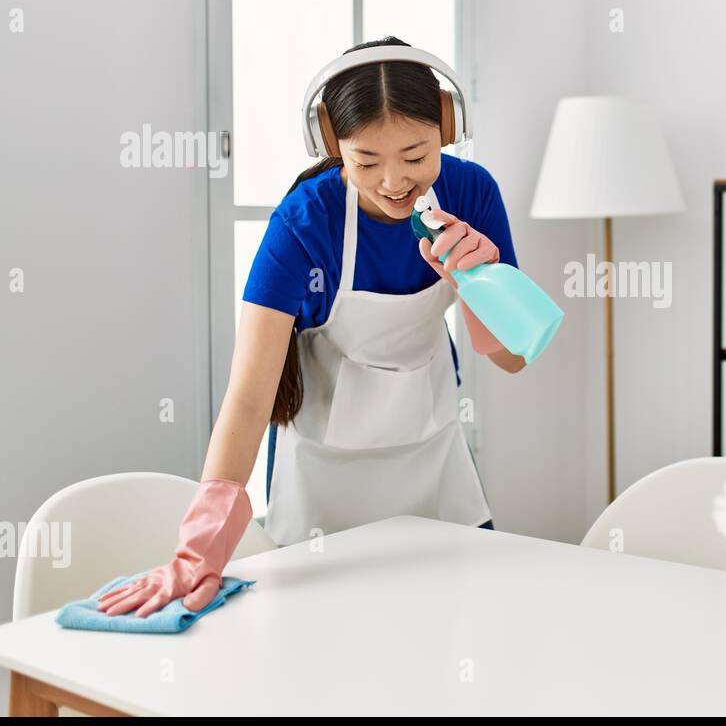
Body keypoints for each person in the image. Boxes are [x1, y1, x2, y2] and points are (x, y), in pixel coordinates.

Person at [98, 37, 523, 618]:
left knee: (454, 630)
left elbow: (510, 357)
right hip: (322, 485)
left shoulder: (472, 193)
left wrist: (481, 282)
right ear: (331, 140)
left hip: (436, 467)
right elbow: (249, 399)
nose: (394, 181)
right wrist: (198, 551)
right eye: (366, 162)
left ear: (446, 127)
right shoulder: (304, 222)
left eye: (416, 156)